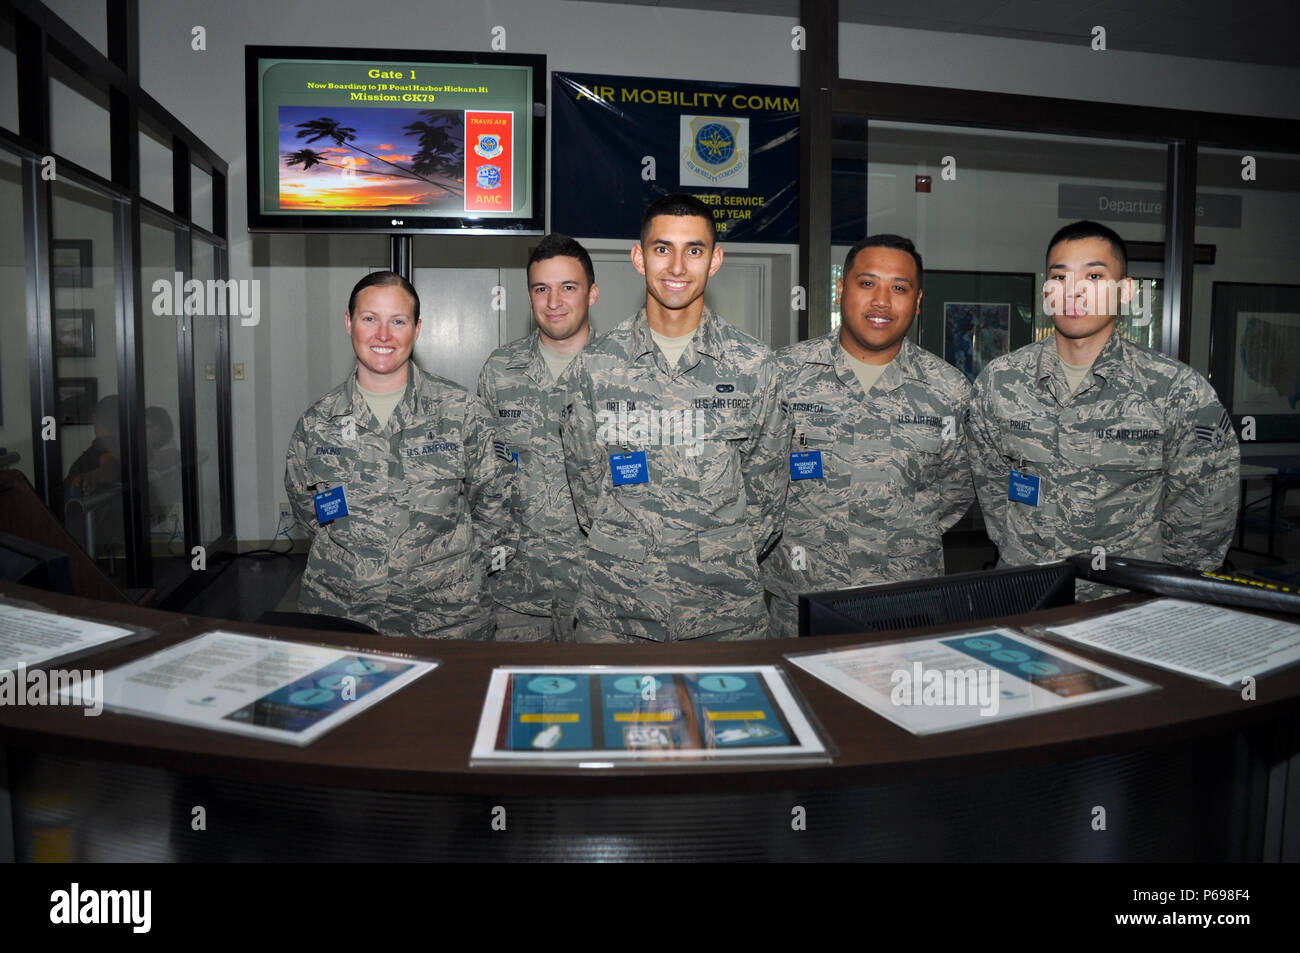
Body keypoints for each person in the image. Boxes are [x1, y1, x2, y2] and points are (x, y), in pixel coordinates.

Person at [560, 193, 789, 643]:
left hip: (724, 611)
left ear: (715, 259)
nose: (678, 267)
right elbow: (587, 490)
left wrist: (721, 553)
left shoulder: (753, 366)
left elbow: (767, 494)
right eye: (662, 249)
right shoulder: (594, 367)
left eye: (695, 250)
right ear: (639, 258)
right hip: (619, 607)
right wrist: (631, 547)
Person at [966, 221, 1239, 596]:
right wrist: (1021, 551)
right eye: (1059, 278)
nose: (1074, 292)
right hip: (1026, 591)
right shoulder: (1000, 381)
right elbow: (993, 490)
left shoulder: (1175, 390)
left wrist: (1166, 596)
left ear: (1124, 291)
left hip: (1125, 601)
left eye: (1093, 276)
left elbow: (1204, 520)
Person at [284, 271, 517, 638]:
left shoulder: (460, 413)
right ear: (349, 323)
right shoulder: (317, 424)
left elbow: (497, 508)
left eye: (398, 321)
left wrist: (452, 573)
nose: (383, 335)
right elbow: (309, 514)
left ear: (417, 328)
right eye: (369, 319)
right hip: (344, 616)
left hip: (446, 621)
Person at [763, 235, 973, 638]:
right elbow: (757, 482)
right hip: (802, 604)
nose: (882, 301)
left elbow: (956, 491)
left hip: (907, 603)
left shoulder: (948, 389)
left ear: (917, 300)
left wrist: (895, 534)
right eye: (867, 283)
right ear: (841, 289)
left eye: (899, 288)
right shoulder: (784, 376)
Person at [476, 235, 599, 641]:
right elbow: (480, 473)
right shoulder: (500, 370)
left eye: (569, 287)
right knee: (521, 703)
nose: (553, 301)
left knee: (602, 703)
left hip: (603, 587)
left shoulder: (623, 374)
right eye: (541, 288)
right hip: (516, 590)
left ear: (592, 294)